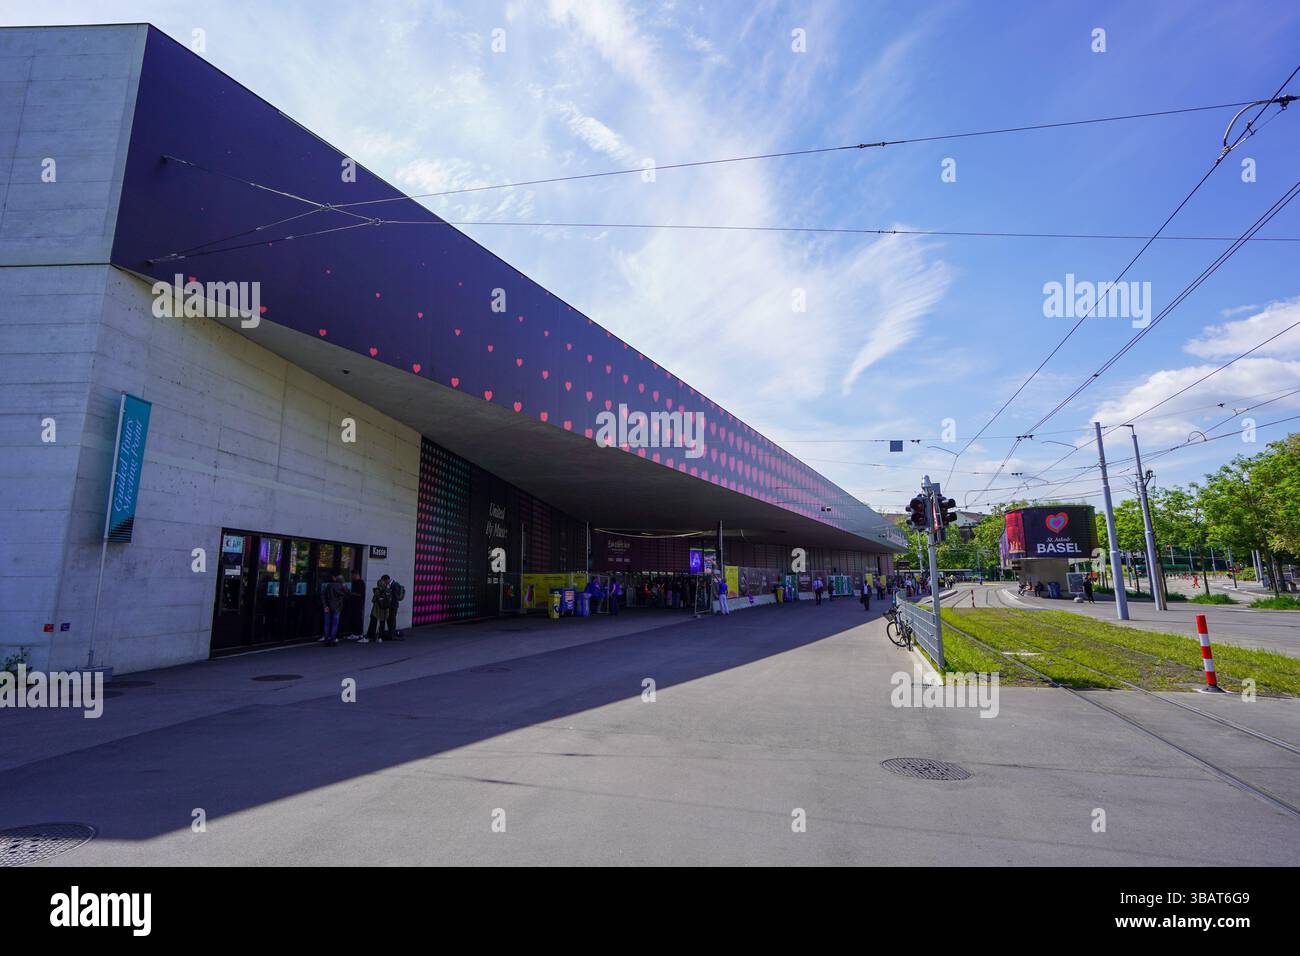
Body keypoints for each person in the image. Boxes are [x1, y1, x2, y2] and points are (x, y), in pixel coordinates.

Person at [320, 573, 350, 646]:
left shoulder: (329, 585)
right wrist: (345, 586)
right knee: (335, 624)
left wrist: (325, 606)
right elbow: (348, 594)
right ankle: (332, 640)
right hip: (337, 608)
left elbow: (322, 595)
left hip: (328, 607)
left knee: (327, 624)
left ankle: (326, 640)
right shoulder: (342, 587)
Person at [365, 574, 393, 642]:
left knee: (374, 621)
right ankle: (381, 637)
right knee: (382, 623)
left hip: (377, 609)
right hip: (385, 609)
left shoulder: (378, 591)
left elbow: (373, 600)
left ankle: (371, 636)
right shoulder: (388, 590)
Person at [346, 569, 366, 640]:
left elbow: (360, 594)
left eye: (353, 575)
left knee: (357, 618)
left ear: (356, 575)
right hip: (354, 603)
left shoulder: (360, 583)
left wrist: (351, 593)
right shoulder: (355, 582)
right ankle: (355, 633)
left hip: (358, 604)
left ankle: (357, 633)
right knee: (354, 618)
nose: (352, 577)